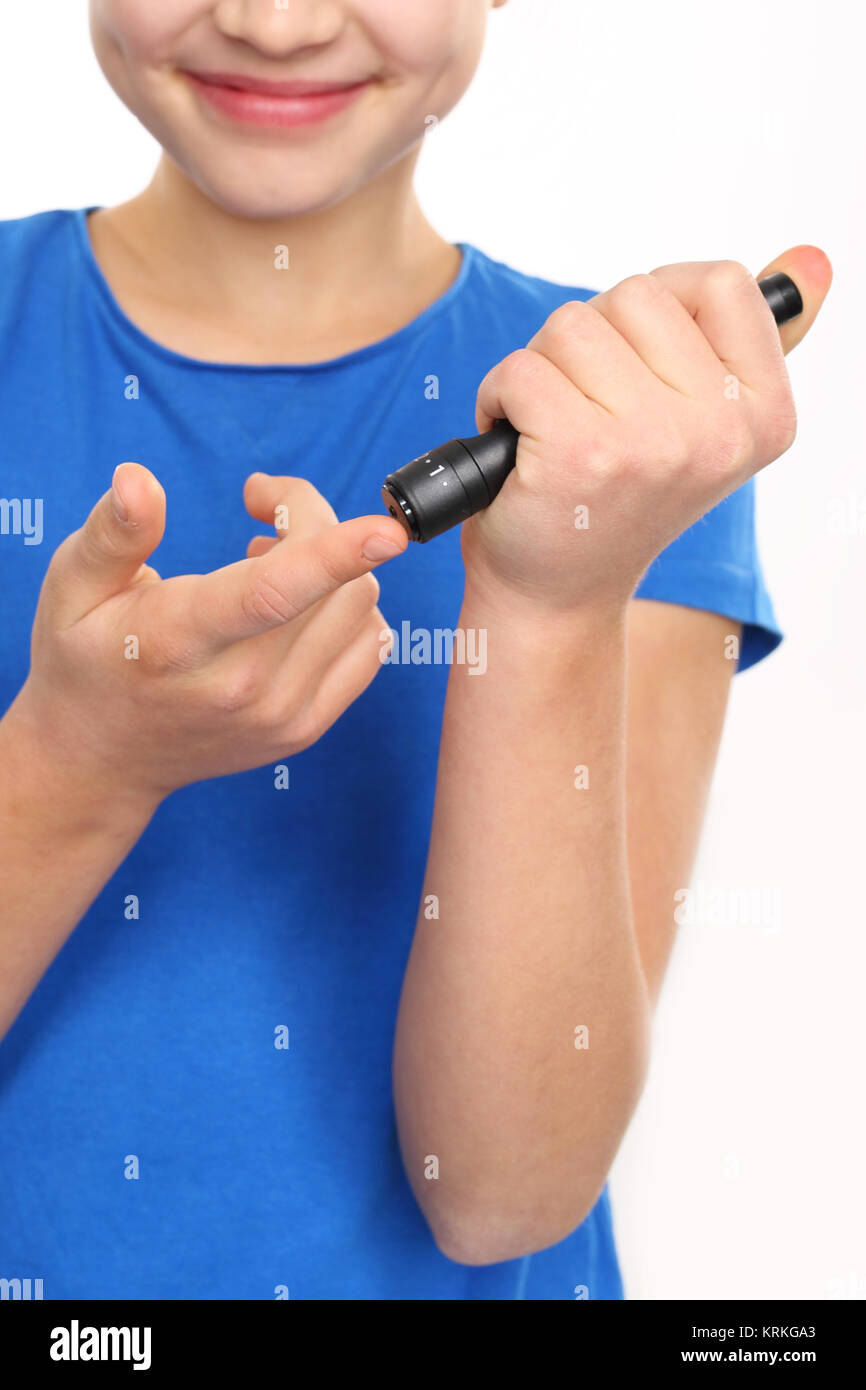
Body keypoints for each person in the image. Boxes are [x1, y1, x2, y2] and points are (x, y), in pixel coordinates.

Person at [0, 0, 831, 1300]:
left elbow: (506, 1194)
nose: (274, 25)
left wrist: (551, 607)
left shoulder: (629, 437)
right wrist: (78, 764)